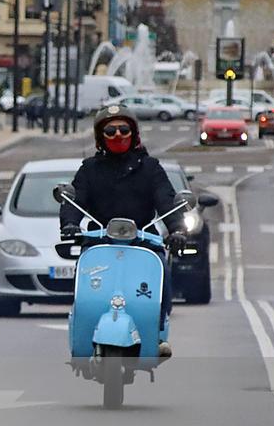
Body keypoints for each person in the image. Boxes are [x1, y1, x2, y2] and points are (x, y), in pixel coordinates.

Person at [58, 104, 187, 358]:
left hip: (142, 241)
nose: (118, 135)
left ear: (134, 133)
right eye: (110, 130)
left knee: (164, 271)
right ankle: (83, 332)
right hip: (100, 242)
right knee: (84, 284)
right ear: (100, 137)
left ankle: (158, 333)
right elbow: (75, 199)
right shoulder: (89, 169)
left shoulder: (150, 168)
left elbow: (165, 198)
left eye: (124, 129)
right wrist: (69, 224)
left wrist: (177, 228)